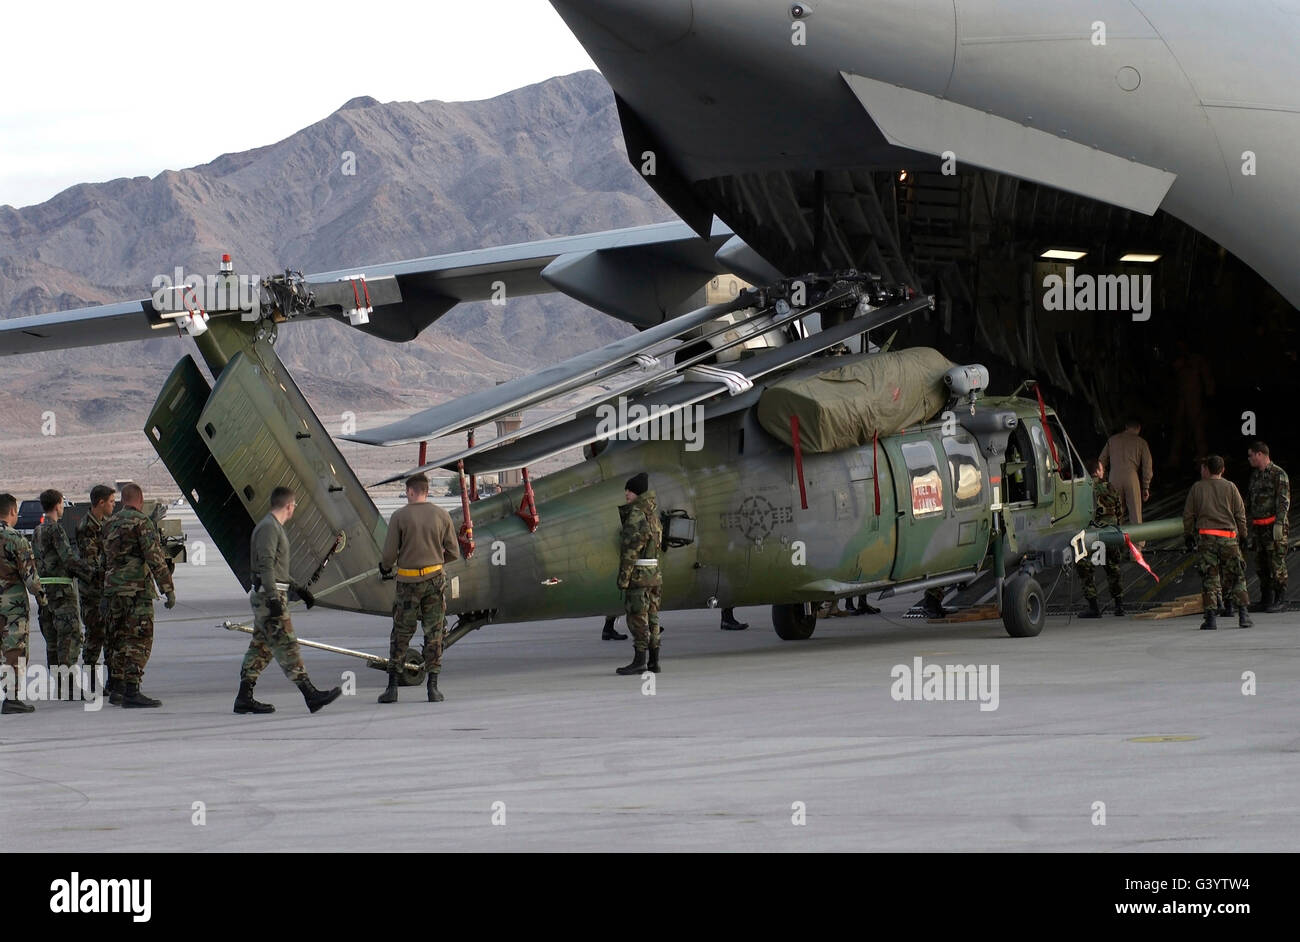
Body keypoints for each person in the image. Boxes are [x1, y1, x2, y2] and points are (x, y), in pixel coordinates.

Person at [235, 486, 341, 715]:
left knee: (261, 647)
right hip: (269, 596)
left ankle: (244, 697)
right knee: (287, 644)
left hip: (271, 592)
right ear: (289, 506)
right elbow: (266, 565)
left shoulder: (272, 527)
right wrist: (273, 596)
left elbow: (277, 568)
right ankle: (310, 694)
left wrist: (298, 589)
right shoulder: (269, 529)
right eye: (294, 505)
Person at [377, 473, 460, 703]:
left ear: (411, 491)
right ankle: (433, 688)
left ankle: (392, 688)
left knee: (401, 633)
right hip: (434, 580)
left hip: (407, 582)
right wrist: (435, 558)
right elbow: (453, 552)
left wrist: (385, 568)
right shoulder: (442, 515)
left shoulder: (399, 516)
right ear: (426, 490)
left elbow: (389, 555)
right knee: (434, 633)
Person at [101, 482, 175, 707]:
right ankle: (132, 691)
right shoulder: (142, 522)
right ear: (140, 500)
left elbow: (104, 560)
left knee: (118, 638)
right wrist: (168, 589)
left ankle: (118, 687)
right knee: (139, 639)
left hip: (113, 589)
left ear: (123, 500)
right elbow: (154, 557)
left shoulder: (109, 523)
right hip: (136, 590)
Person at [1183, 456, 1251, 630]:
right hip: (1228, 538)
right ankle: (1243, 616)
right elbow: (1240, 515)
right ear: (1222, 469)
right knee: (1237, 576)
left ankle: (1211, 619)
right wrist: (1243, 536)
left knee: (1210, 578)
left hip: (1206, 539)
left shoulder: (1197, 488)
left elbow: (1188, 515)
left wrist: (1189, 536)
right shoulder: (1231, 487)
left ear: (1206, 469)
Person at [31, 489, 88, 691]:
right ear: (57, 505)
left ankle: (61, 685)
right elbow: (68, 559)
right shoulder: (56, 529)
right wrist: (91, 573)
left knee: (52, 640)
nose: (63, 507)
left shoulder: (38, 530)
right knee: (69, 638)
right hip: (62, 592)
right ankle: (70, 685)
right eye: (62, 504)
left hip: (45, 592)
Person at [0, 494, 46, 714]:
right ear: (11, 512)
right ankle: (12, 698)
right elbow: (30, 576)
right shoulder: (15, 539)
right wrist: (42, 598)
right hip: (12, 607)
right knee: (14, 651)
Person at [615, 472, 663, 676]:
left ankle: (639, 661)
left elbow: (630, 550)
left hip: (639, 575)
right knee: (653, 617)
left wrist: (623, 578)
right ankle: (654, 661)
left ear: (638, 493)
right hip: (654, 573)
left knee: (637, 617)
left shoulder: (636, 514)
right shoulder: (652, 514)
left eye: (630, 490)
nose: (627, 493)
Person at [1077, 459, 1127, 617]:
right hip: (1110, 533)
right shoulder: (1110, 488)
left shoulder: (1084, 489)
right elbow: (1119, 511)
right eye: (1102, 469)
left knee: (1086, 569)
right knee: (1113, 569)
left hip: (1092, 536)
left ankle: (1093, 607)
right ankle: (1119, 606)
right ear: (1098, 471)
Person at [76, 485, 115, 690]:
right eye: (110, 501)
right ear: (100, 503)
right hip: (92, 591)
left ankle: (111, 680)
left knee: (109, 634)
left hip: (104, 589)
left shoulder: (105, 523)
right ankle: (92, 682)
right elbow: (91, 562)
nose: (113, 505)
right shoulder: (87, 527)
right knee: (94, 635)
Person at [1245, 441, 1290, 613]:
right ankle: (1266, 599)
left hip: (1273, 527)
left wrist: (1279, 523)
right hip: (1259, 528)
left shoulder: (1278, 474)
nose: (1249, 459)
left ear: (1260, 454)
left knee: (1276, 563)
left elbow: (1283, 501)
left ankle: (1281, 599)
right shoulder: (1255, 476)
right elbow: (1250, 500)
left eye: (1251, 455)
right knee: (1261, 564)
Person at [1101, 418, 1153, 525]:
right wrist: (1146, 487)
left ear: (1126, 427)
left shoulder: (1112, 440)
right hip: (1131, 478)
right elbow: (1147, 466)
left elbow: (1101, 461)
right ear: (1139, 429)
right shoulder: (1141, 442)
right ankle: (1138, 542)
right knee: (1135, 515)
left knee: (1115, 515)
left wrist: (1104, 479)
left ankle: (1117, 540)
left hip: (1114, 477)